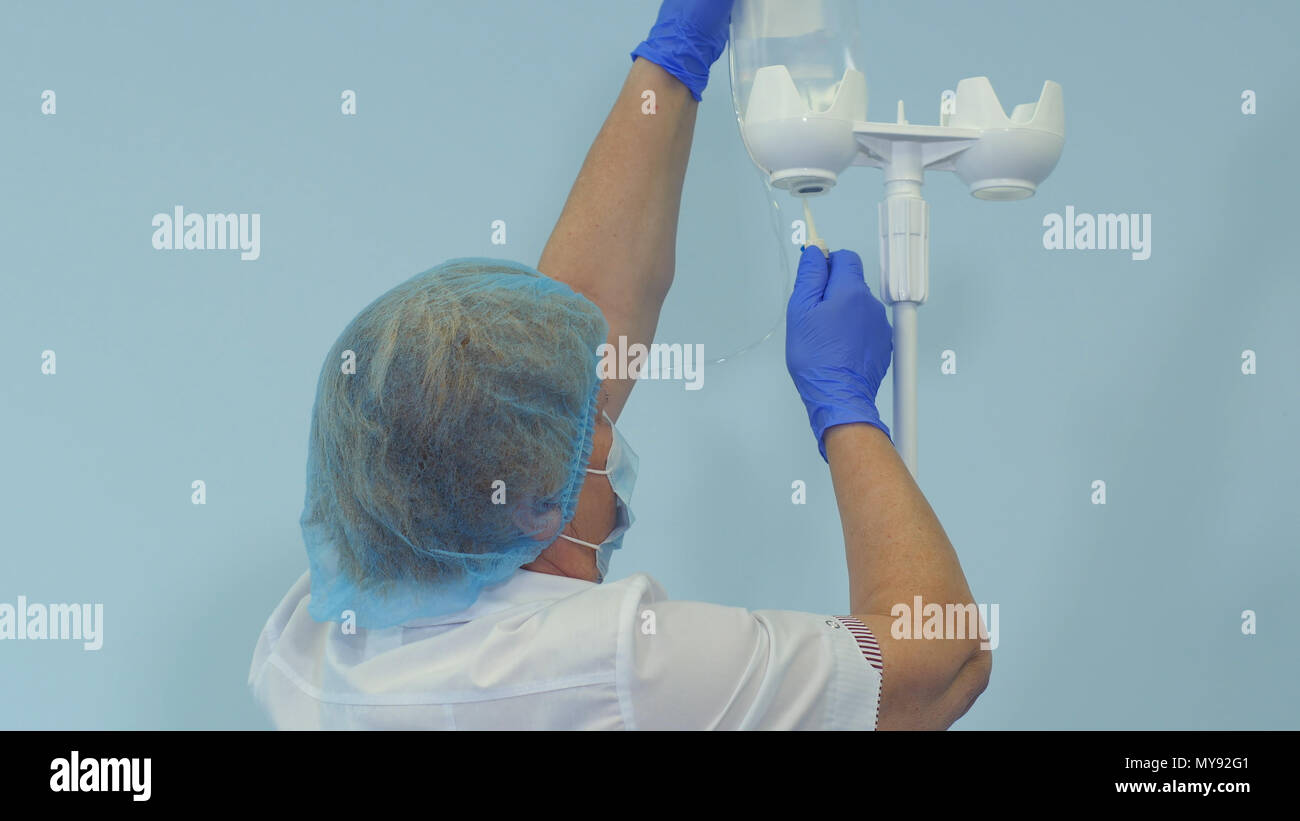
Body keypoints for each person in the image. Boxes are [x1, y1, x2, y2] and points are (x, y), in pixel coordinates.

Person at [248, 0, 990, 730]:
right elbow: (943, 663)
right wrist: (847, 410)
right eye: (592, 426)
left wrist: (671, 63)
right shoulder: (614, 669)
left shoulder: (313, 641)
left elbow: (550, 353)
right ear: (538, 506)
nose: (605, 416)